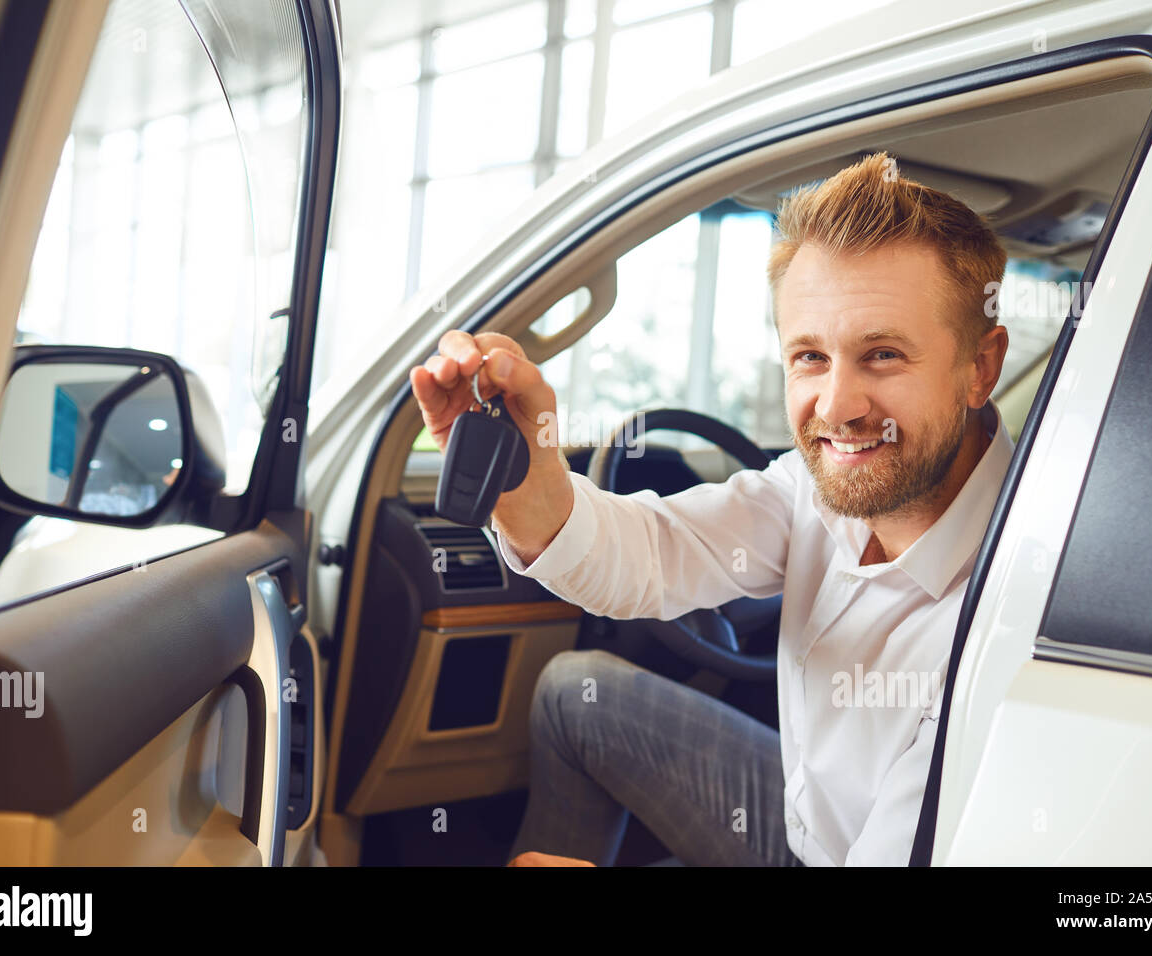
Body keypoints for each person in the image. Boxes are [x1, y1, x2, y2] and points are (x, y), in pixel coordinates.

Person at [408, 152, 1013, 867]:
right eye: (810, 357)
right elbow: (656, 553)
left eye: (882, 354)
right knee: (575, 692)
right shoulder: (812, 488)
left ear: (980, 367)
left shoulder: (1009, 618)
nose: (837, 407)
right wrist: (528, 489)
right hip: (802, 820)